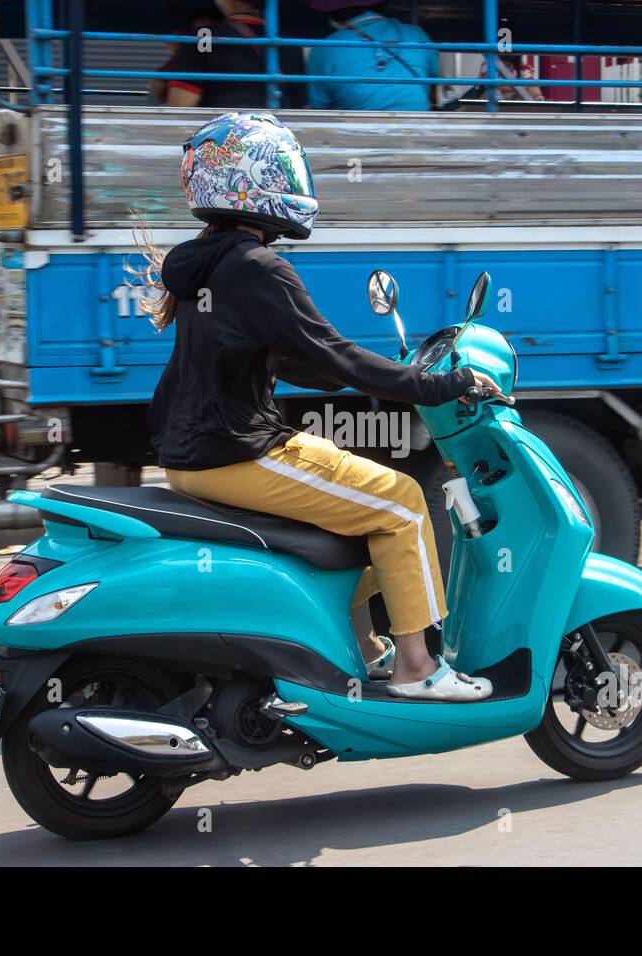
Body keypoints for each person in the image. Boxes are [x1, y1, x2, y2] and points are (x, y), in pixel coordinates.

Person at [137, 112, 504, 701]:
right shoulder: (258, 268)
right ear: (252, 180)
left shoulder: (202, 263)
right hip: (235, 452)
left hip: (192, 455)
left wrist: (334, 375)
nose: (297, 181)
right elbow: (336, 353)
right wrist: (440, 384)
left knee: (355, 502)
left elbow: (273, 355)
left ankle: (364, 650)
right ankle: (418, 669)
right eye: (284, 169)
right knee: (405, 505)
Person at [163, 0, 305, 109]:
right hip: (277, 133)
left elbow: (181, 104)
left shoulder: (204, 36)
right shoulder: (290, 42)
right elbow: (299, 102)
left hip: (222, 135)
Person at [306, 1, 437, 111]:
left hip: (354, 133)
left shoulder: (324, 48)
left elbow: (319, 108)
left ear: (333, 14)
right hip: (417, 128)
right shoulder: (417, 34)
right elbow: (432, 83)